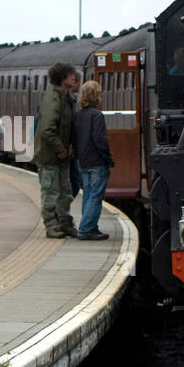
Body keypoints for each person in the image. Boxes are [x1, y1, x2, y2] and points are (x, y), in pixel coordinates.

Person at [34, 62, 79, 238]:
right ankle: (51, 225)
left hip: (62, 156)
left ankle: (64, 222)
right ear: (62, 78)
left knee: (65, 192)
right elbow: (47, 129)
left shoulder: (65, 98)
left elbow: (66, 127)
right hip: (49, 156)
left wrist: (69, 147)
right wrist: (60, 148)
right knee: (50, 192)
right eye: (70, 75)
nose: (74, 78)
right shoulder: (53, 99)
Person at [72, 80, 113, 240]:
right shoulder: (97, 115)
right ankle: (85, 229)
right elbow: (100, 140)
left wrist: (78, 156)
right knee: (95, 196)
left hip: (83, 161)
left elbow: (74, 140)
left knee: (88, 195)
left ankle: (91, 226)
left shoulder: (78, 115)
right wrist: (108, 159)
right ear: (97, 96)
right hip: (97, 162)